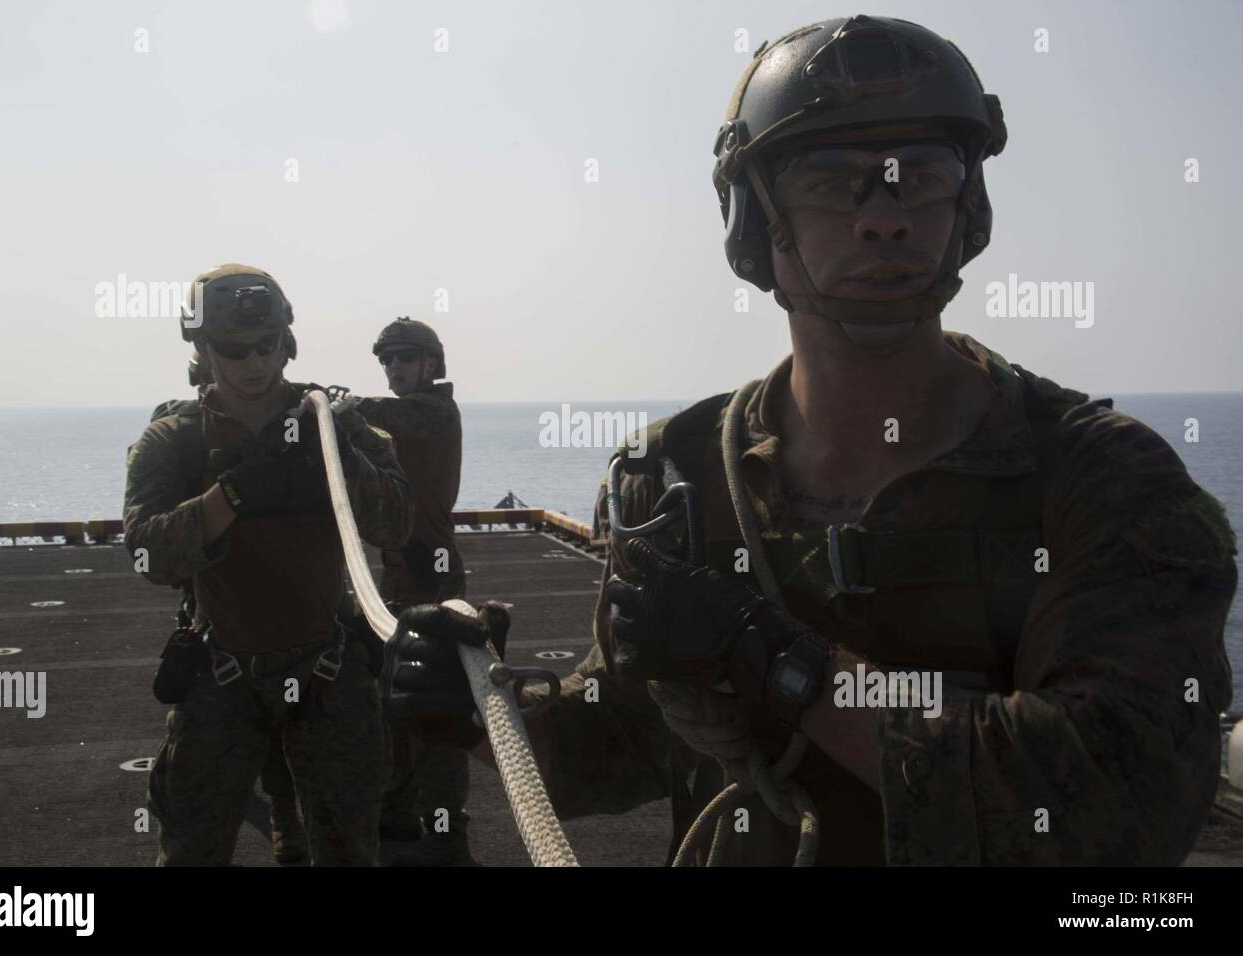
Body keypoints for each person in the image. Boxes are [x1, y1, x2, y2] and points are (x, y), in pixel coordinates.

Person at [382, 16, 1238, 865]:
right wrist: (490, 714)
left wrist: (783, 667)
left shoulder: (1104, 481)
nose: (884, 221)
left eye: (920, 179)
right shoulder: (669, 477)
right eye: (833, 183)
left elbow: (1119, 808)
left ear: (966, 207)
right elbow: (636, 735)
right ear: (758, 221)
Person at [124, 263, 414, 865]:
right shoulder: (174, 439)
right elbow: (148, 553)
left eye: (268, 346)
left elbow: (397, 524)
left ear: (288, 341)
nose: (255, 364)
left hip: (326, 670)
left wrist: (336, 458)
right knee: (191, 850)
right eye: (235, 350)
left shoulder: (332, 420)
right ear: (201, 349)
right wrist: (230, 495)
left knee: (346, 847)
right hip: (220, 673)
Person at [355, 317, 472, 866]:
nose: (394, 368)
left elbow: (379, 414)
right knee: (391, 701)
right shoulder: (395, 418)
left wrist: (333, 406)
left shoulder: (434, 411)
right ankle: (397, 810)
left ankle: (445, 824)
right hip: (397, 575)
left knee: (438, 708)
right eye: (387, 360)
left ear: (431, 364)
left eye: (404, 358)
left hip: (432, 575)